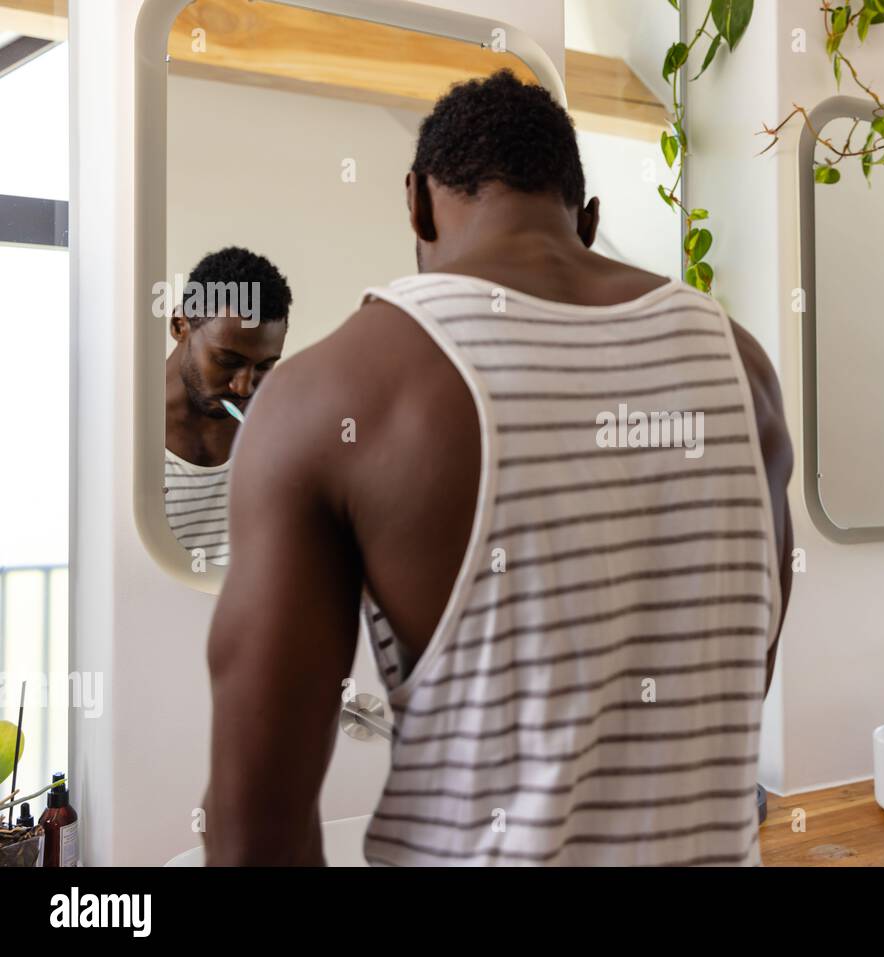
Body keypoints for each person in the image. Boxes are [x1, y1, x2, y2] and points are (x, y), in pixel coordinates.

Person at [203, 70, 793, 865]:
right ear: (587, 220)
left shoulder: (326, 396)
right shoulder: (743, 371)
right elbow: (729, 687)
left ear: (415, 202)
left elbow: (254, 829)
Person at [164, 247, 292, 566]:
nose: (244, 387)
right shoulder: (119, 432)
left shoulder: (276, 425)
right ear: (181, 325)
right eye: (227, 361)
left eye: (264, 366)